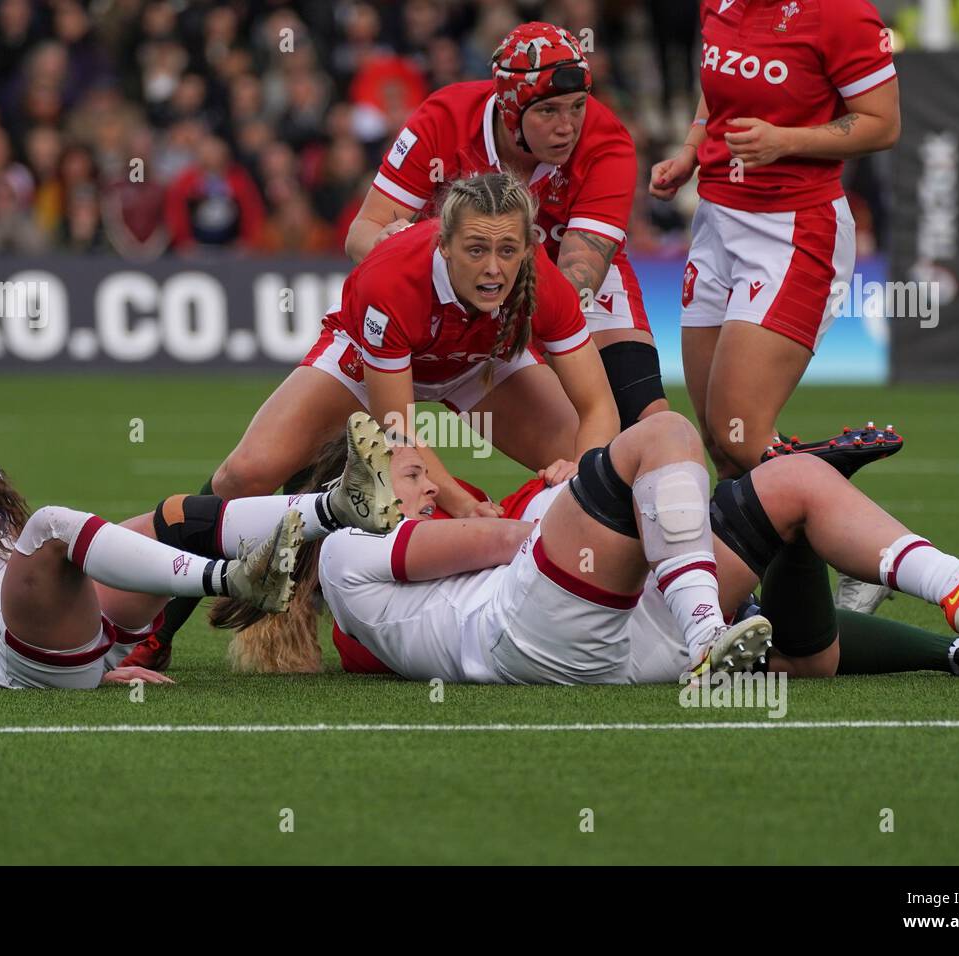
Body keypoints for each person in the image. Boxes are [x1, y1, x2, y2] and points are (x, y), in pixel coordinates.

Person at [123, 171, 620, 670]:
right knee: (246, 472)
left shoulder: (542, 283)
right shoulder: (393, 280)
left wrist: (581, 468)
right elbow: (398, 432)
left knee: (600, 471)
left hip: (479, 364)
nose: (494, 269)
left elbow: (597, 407)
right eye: (475, 250)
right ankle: (156, 632)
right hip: (367, 363)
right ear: (444, 246)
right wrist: (465, 505)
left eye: (508, 251)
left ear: (528, 248)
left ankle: (620, 602)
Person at [220, 413, 959, 686]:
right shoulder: (346, 557)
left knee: (796, 495)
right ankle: (714, 626)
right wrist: (582, 489)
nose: (425, 471)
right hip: (539, 626)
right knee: (661, 432)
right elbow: (512, 535)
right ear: (359, 495)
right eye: (408, 470)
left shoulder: (363, 574)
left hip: (620, 634)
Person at [0, 336, 401, 690]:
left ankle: (335, 507)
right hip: (9, 655)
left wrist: (92, 674)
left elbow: (9, 563)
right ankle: (232, 579)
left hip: (72, 640)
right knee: (51, 524)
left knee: (179, 516)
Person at [346, 21, 669, 430]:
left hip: (547, 293)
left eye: (577, 106)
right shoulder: (444, 118)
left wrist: (493, 312)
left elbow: (577, 281)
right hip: (450, 287)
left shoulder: (606, 142)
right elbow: (363, 231)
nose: (568, 126)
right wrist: (390, 254)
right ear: (510, 109)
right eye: (549, 110)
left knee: (647, 421)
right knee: (271, 459)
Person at [649, 0, 901, 478]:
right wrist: (690, 152)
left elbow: (883, 123)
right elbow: (719, 88)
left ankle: (885, 541)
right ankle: (789, 546)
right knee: (723, 446)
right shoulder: (718, 4)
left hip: (794, 227)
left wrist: (786, 140)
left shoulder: (842, 12)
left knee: (738, 429)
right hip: (714, 221)